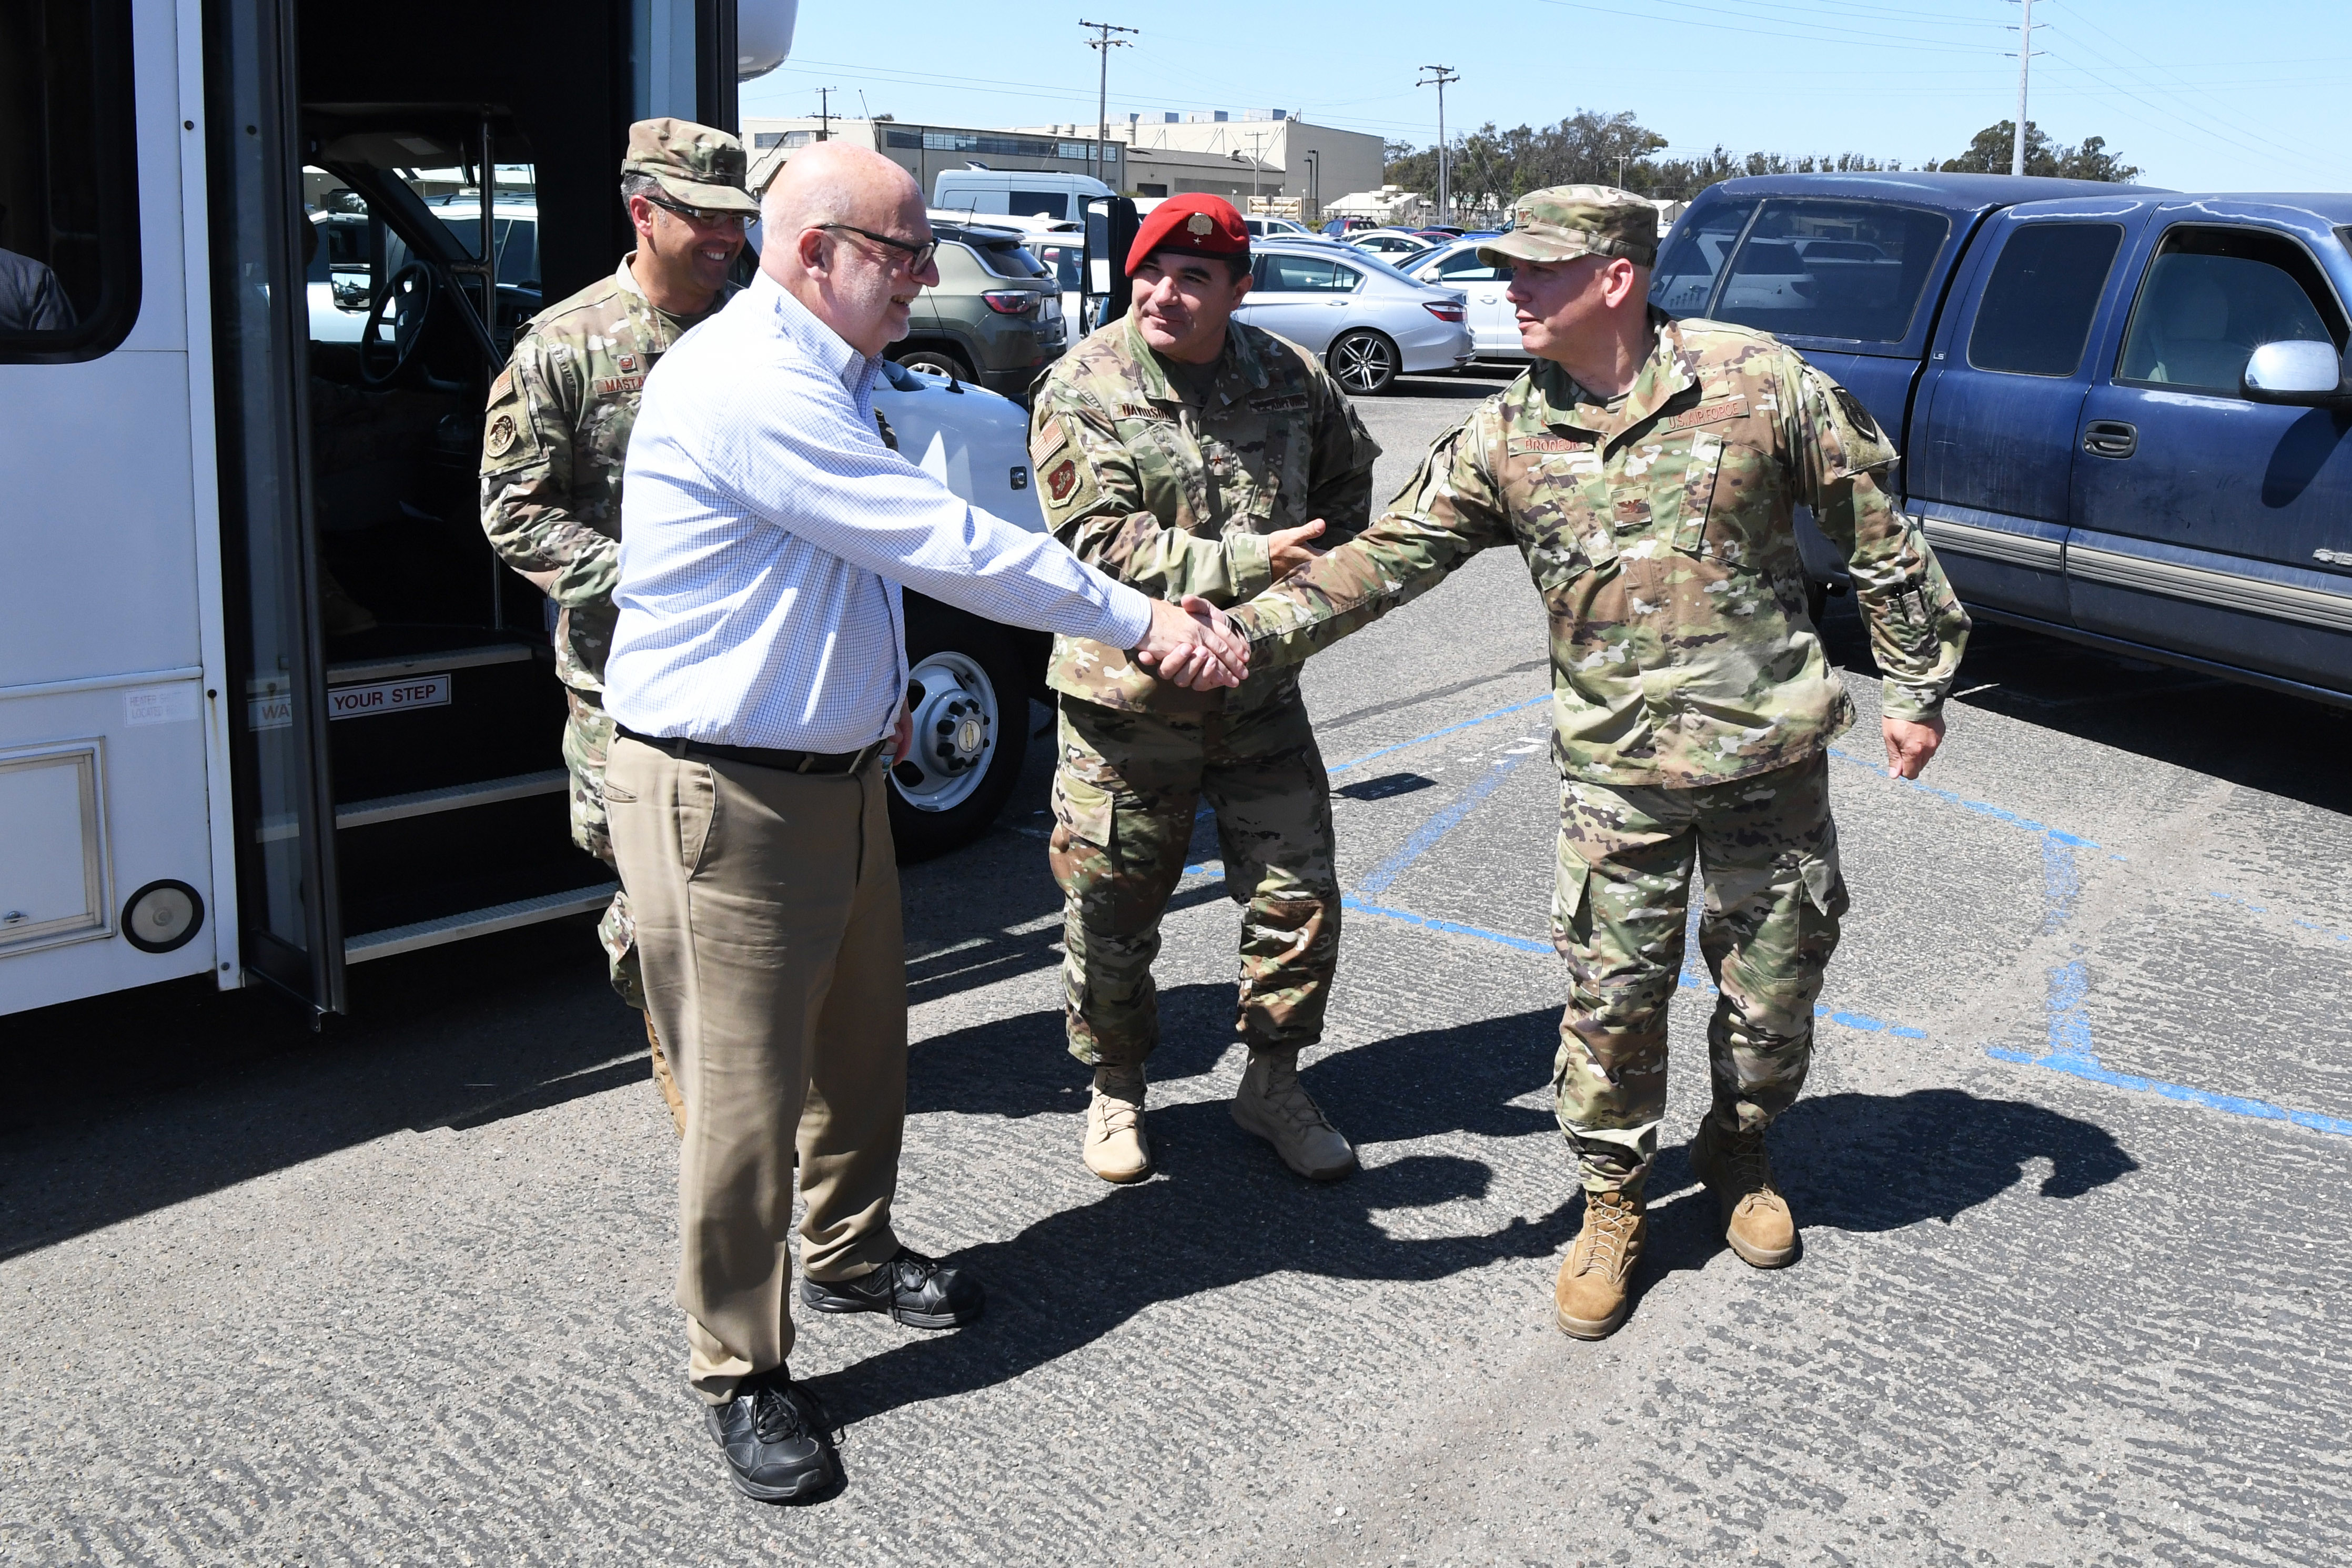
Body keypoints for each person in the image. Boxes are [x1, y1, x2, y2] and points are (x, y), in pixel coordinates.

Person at [601, 140, 1249, 1503]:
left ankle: (847, 1253)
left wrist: (872, 692)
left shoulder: (835, 374)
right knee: (741, 1098)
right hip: (725, 794)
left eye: (920, 251)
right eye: (899, 255)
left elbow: (844, 576)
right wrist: (1144, 620)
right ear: (810, 251)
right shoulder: (750, 383)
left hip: (833, 777)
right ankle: (742, 1366)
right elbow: (940, 541)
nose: (923, 279)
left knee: (859, 1051)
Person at [1221, 186, 1971, 1340]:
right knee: (1611, 1007)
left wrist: (1915, 686)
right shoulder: (1507, 432)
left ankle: (1741, 1145)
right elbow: (1387, 561)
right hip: (1615, 779)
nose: (1508, 289)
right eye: (1507, 269)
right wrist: (1240, 635)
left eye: (1535, 270)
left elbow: (1875, 527)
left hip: (1766, 765)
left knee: (1774, 1004)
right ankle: (1612, 1200)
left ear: (1613, 278)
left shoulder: (1755, 381)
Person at [1028, 194, 1382, 1185]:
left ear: (1239, 286)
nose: (1165, 294)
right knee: (1112, 907)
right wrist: (1244, 564)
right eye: (1150, 272)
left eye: (1193, 278)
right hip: (1127, 705)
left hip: (1257, 693)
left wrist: (1281, 601)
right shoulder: (1082, 384)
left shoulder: (1289, 375)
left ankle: (1272, 1081)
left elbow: (1346, 500)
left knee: (1298, 896)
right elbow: (1099, 541)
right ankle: (1116, 1088)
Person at [479, 118, 757, 1130]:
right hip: (627, 678)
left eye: (739, 222)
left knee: (747, 886)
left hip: (755, 674)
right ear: (644, 211)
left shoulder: (762, 333)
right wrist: (644, 578)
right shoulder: (567, 345)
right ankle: (685, 1074)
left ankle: (758, 1066)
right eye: (705, 220)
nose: (728, 241)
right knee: (654, 894)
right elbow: (513, 510)